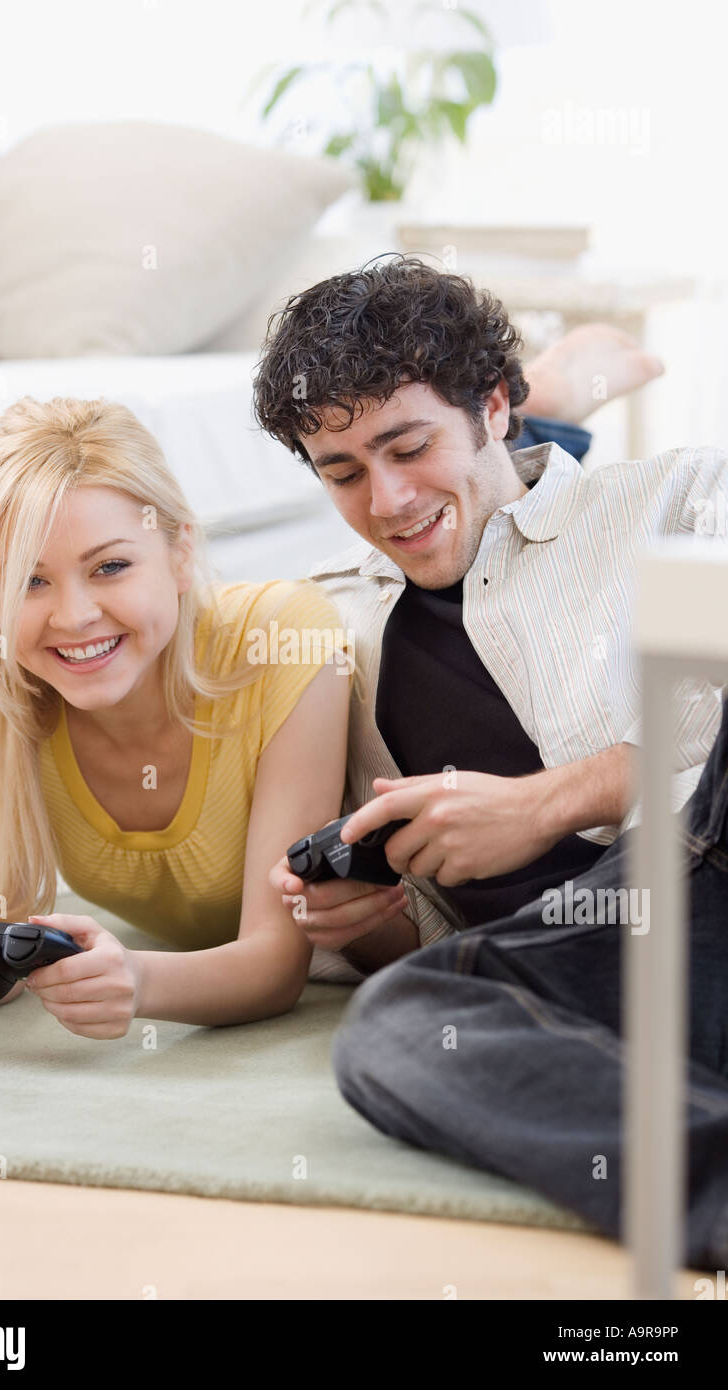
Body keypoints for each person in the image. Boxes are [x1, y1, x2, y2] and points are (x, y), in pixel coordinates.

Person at [250, 255, 728, 1270]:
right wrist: (376, 919)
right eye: (340, 473)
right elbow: (441, 931)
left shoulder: (672, 503)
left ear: (498, 406)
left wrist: (545, 803)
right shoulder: (339, 625)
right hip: (605, 977)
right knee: (396, 1025)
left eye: (408, 446)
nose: (384, 499)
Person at [0, 395, 356, 1035]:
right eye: (28, 581)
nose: (73, 617)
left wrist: (141, 980)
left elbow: (275, 964)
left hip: (391, 949)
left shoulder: (288, 636)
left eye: (111, 566)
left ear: (180, 553)